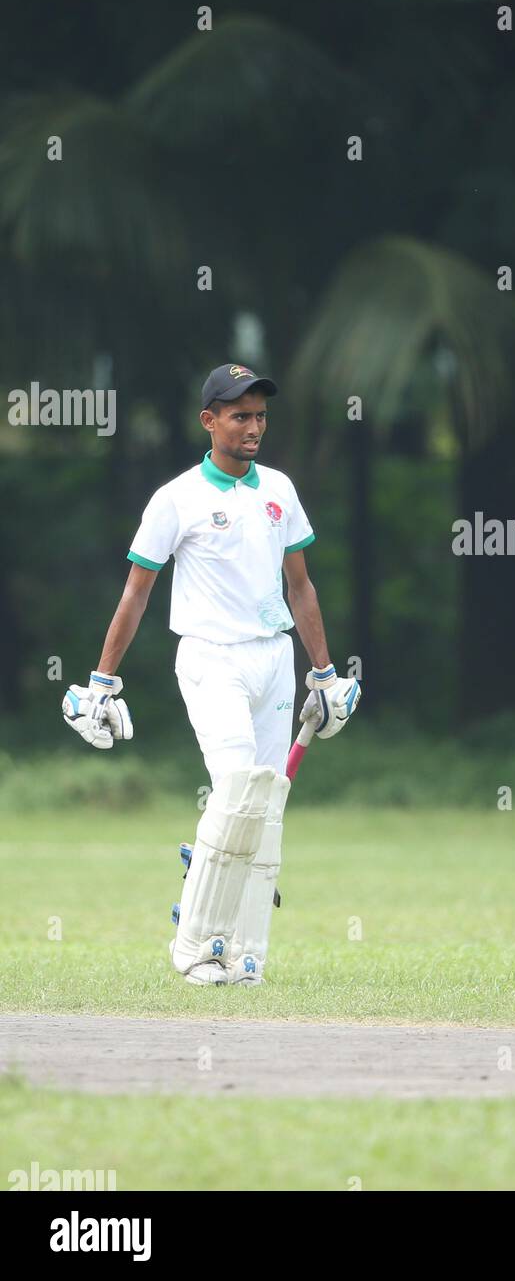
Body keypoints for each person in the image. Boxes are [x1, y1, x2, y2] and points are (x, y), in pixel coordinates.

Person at [62, 363, 361, 986]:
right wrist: (102, 681)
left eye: (260, 416)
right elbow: (135, 594)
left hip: (274, 659)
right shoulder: (176, 499)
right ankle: (196, 947)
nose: (253, 427)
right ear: (209, 421)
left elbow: (300, 587)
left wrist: (325, 674)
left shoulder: (278, 488)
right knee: (237, 793)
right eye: (240, 416)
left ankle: (246, 953)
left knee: (268, 804)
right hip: (210, 658)